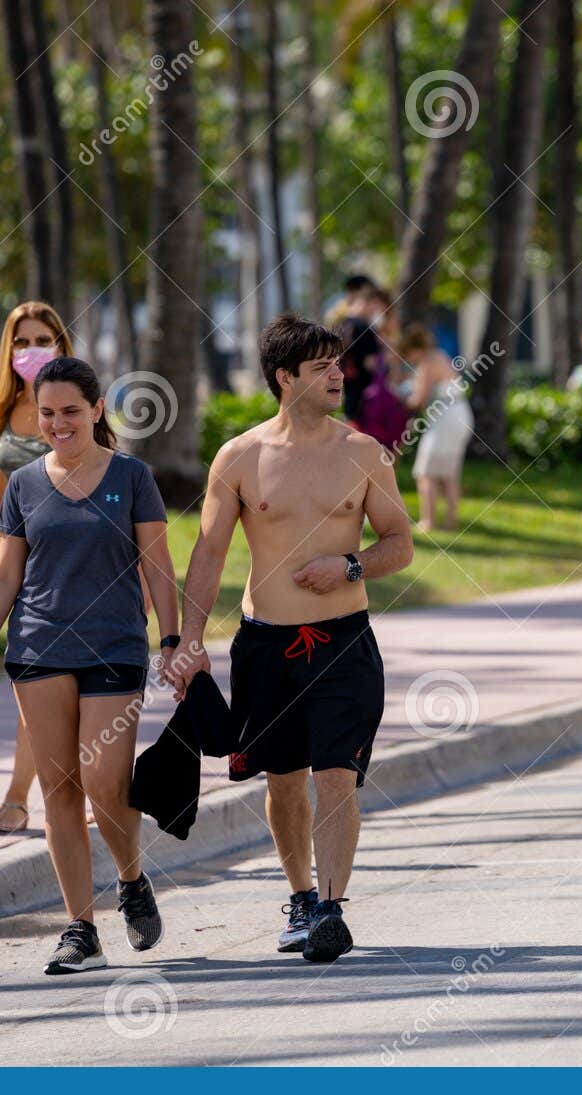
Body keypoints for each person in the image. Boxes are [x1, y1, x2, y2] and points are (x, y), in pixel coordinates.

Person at [171, 315, 413, 964]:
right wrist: (187, 639)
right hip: (265, 648)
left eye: (339, 363)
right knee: (282, 783)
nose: (339, 374)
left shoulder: (363, 453)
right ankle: (302, 896)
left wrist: (350, 564)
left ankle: (332, 910)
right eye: (322, 366)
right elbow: (210, 552)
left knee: (337, 775)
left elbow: (400, 542)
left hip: (344, 644)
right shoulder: (241, 457)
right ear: (286, 378)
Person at [0, 356, 180, 976]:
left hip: (114, 646)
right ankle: (80, 928)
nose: (58, 424)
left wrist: (173, 639)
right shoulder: (26, 482)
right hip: (38, 647)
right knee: (59, 789)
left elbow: (157, 565)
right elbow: (6, 572)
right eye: (48, 413)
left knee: (107, 783)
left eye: (71, 412)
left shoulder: (132, 476)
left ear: (97, 409)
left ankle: (131, 880)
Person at [0, 301, 71, 834]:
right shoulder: (9, 409)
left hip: (68, 566)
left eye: (43, 339)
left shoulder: (74, 404)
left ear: (60, 343)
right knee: (31, 686)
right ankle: (21, 799)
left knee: (61, 688)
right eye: (21, 340)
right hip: (19, 569)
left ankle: (28, 797)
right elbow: (2, 489)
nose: (32, 350)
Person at [401, 326, 473, 532]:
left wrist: (399, 397)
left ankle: (428, 521)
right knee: (449, 473)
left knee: (426, 473)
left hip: (446, 418)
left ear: (414, 349)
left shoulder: (427, 363)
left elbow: (418, 400)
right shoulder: (440, 356)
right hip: (460, 413)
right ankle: (451, 520)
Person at [334, 279, 385, 425]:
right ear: (372, 302)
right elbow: (370, 363)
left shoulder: (339, 324)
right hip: (366, 397)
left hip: (347, 391)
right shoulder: (364, 327)